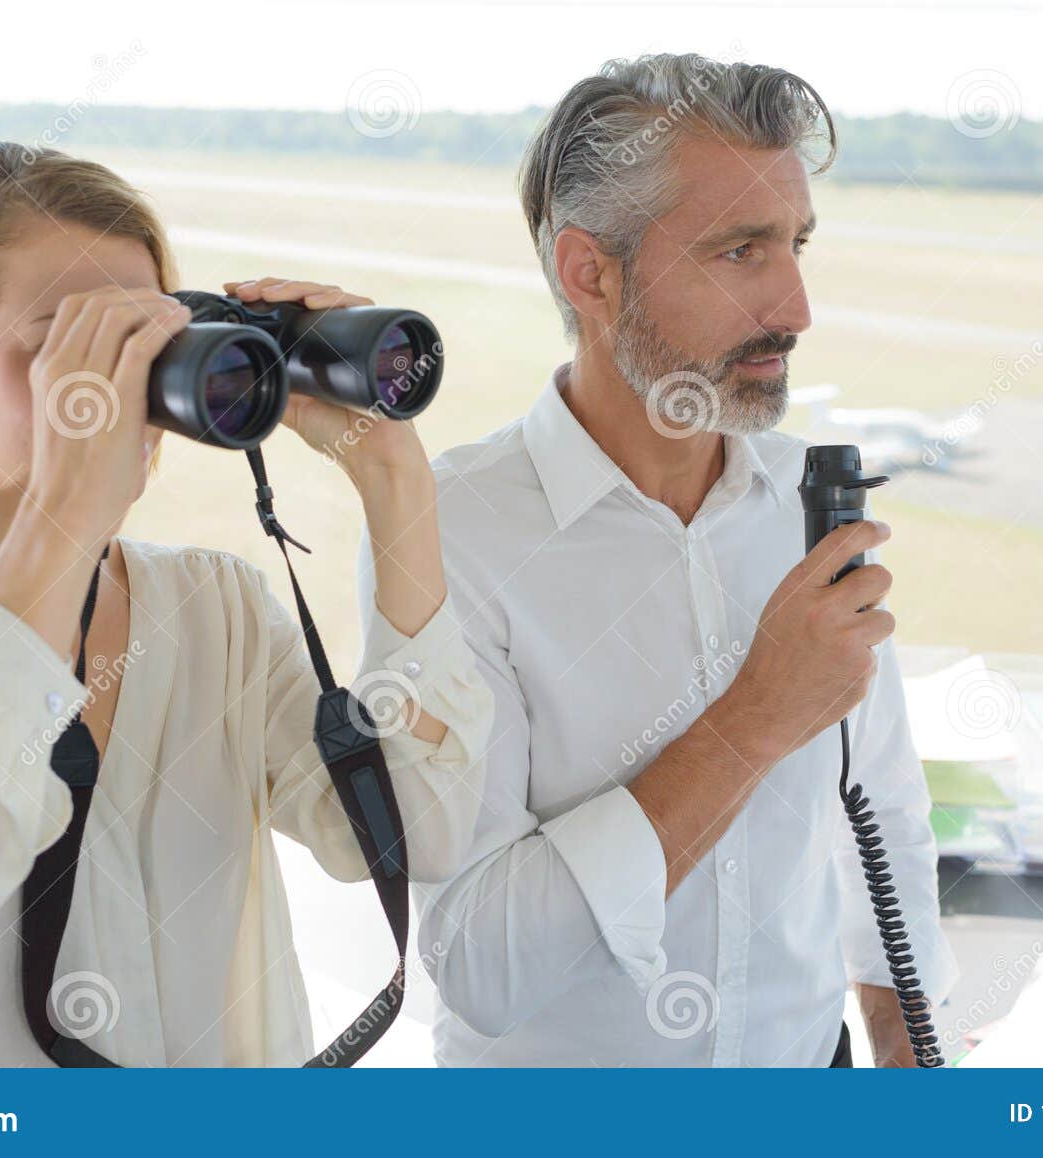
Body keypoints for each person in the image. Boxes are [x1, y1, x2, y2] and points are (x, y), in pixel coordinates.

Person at [0, 143, 493, 1067]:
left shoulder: (219, 609)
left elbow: (425, 835)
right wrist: (59, 523)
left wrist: (393, 483)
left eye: (149, 346)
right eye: (70, 344)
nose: (121, 390)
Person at [370, 54, 957, 1067]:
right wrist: (752, 721)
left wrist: (911, 1055)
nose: (795, 307)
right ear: (589, 272)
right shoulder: (451, 532)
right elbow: (482, 966)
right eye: (739, 252)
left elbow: (885, 817)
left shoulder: (806, 510)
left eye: (795, 244)